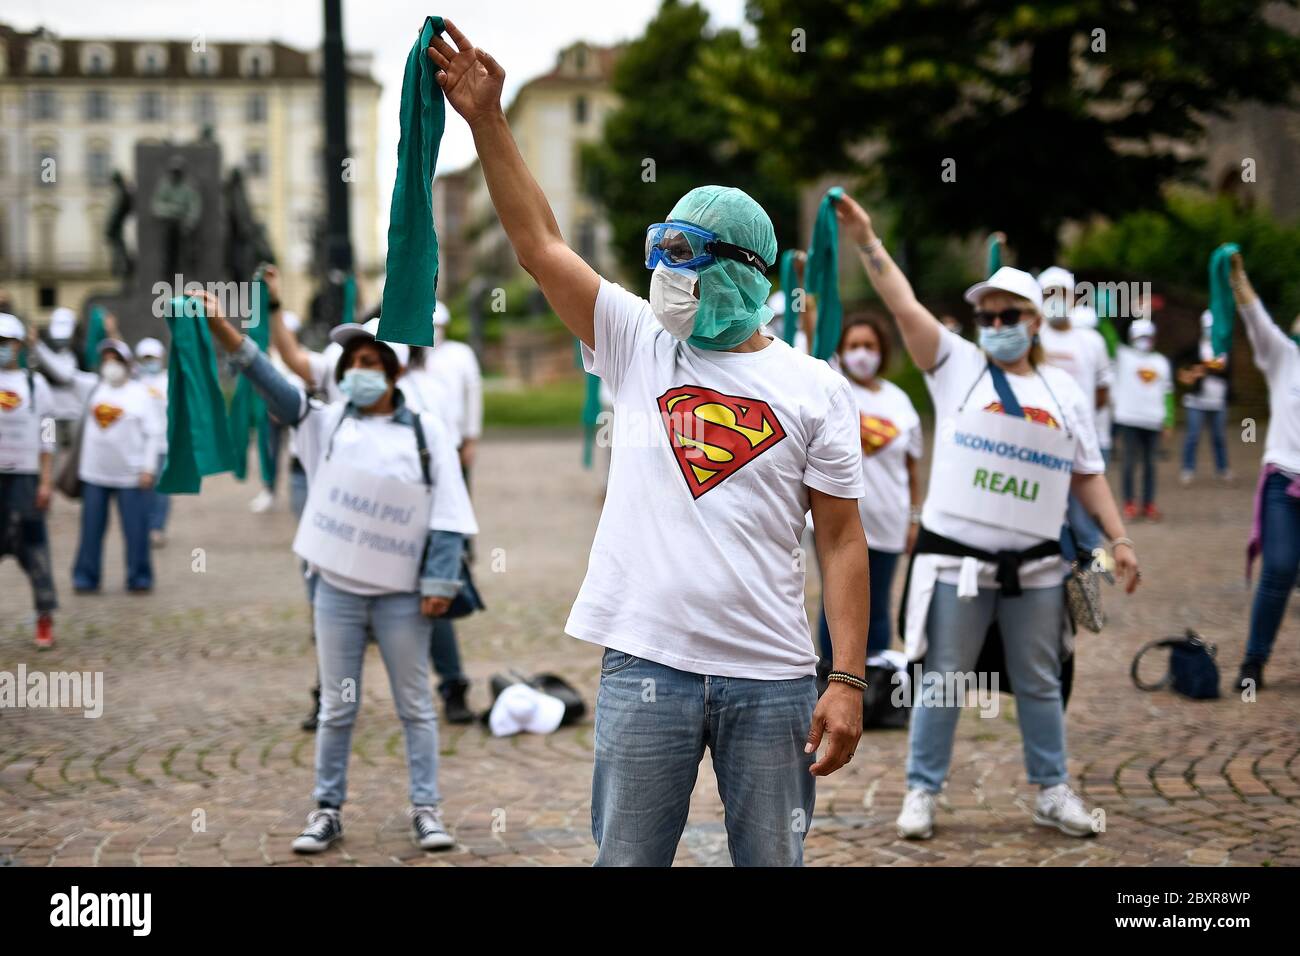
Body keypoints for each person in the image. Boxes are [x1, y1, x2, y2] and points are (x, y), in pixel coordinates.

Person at [431, 20, 870, 866]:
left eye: (684, 253)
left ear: (746, 269)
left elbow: (843, 539)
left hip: (772, 679)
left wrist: (845, 679)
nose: (664, 271)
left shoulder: (816, 388)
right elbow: (538, 243)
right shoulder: (637, 340)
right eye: (657, 250)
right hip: (646, 671)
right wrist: (487, 120)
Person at [832, 192, 1140, 840]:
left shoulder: (1064, 394)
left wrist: (1119, 538)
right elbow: (901, 303)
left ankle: (1052, 789)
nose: (995, 320)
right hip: (955, 565)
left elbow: (1087, 473)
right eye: (987, 312)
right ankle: (921, 791)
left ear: (1032, 321)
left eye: (1008, 313)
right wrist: (866, 240)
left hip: (1035, 569)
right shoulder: (955, 365)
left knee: (1041, 679)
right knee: (941, 678)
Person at [198, 289, 477, 854]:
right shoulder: (322, 423)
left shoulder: (427, 432)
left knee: (415, 705)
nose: (359, 371)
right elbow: (264, 376)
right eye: (352, 364)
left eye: (371, 362)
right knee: (338, 705)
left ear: (394, 369)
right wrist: (221, 328)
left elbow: (448, 513)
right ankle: (327, 809)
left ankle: (426, 807)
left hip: (403, 596)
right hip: (337, 593)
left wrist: (439, 584)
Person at [817, 313, 922, 661]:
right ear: (841, 351)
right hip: (840, 522)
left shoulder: (900, 401)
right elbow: (814, 325)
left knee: (877, 605)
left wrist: (913, 519)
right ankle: (830, 679)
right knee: (837, 602)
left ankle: (873, 684)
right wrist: (809, 284)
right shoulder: (831, 388)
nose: (862, 353)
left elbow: (912, 467)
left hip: (889, 522)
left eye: (869, 346)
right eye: (854, 346)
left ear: (882, 351)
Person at [403, 300, 482, 725]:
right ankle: (331, 693)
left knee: (433, 596)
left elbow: (471, 399)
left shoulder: (438, 376)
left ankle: (453, 685)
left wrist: (470, 437)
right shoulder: (364, 382)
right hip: (375, 520)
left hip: (430, 493)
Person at [1230, 254, 1300, 692]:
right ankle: (1254, 661)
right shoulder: (1284, 357)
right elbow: (1255, 316)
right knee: (1279, 568)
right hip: (1284, 481)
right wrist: (1237, 276)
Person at [70, 339, 165, 593]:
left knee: (136, 532)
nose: (111, 365)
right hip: (94, 475)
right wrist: (35, 347)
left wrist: (148, 469)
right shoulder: (92, 388)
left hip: (131, 477)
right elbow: (62, 373)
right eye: (106, 360)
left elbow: (153, 434)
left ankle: (139, 577)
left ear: (127, 364)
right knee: (90, 531)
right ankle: (86, 577)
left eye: (116, 360)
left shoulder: (140, 393)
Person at [1036, 267, 1113, 560]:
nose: (1056, 300)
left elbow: (1102, 390)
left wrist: (1077, 419)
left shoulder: (1092, 341)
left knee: (1087, 524)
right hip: (1041, 444)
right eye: (1049, 294)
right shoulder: (1034, 336)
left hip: (1085, 442)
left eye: (1061, 294)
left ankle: (1086, 594)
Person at [1, 313, 58, 649]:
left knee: (35, 550)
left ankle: (44, 617)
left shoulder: (36, 386)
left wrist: (46, 481)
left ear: (18, 345)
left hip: (25, 478)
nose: (1, 349)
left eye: (5, 343)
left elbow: (47, 436)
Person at [1113, 318, 1173, 521]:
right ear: (1131, 338)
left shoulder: (1161, 362)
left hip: (1153, 420)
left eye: (1147, 337)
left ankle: (1148, 504)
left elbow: (1168, 392)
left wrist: (1169, 420)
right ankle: (1129, 504)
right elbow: (1108, 336)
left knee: (1150, 465)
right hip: (1129, 418)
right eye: (1140, 337)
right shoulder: (1123, 356)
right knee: (1129, 463)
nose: (1144, 341)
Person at [1178, 310, 1232, 485]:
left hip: (1218, 400)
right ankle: (1188, 469)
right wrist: (1187, 374)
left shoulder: (1223, 348)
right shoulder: (1195, 347)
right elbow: (1177, 363)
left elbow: (1226, 372)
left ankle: (1222, 469)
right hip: (1196, 400)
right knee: (1192, 436)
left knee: (1218, 437)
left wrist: (1205, 369)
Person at [134, 337, 171, 547]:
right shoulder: (135, 382)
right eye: (146, 358)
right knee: (142, 488)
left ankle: (157, 527)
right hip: (139, 445)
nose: (150, 362)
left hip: (163, 444)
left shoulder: (169, 381)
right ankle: (142, 525)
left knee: (161, 489)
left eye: (153, 358)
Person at [33, 307, 85, 448]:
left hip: (72, 416)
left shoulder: (77, 353)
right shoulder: (42, 354)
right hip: (48, 417)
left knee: (71, 457)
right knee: (47, 448)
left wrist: (37, 346)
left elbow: (64, 375)